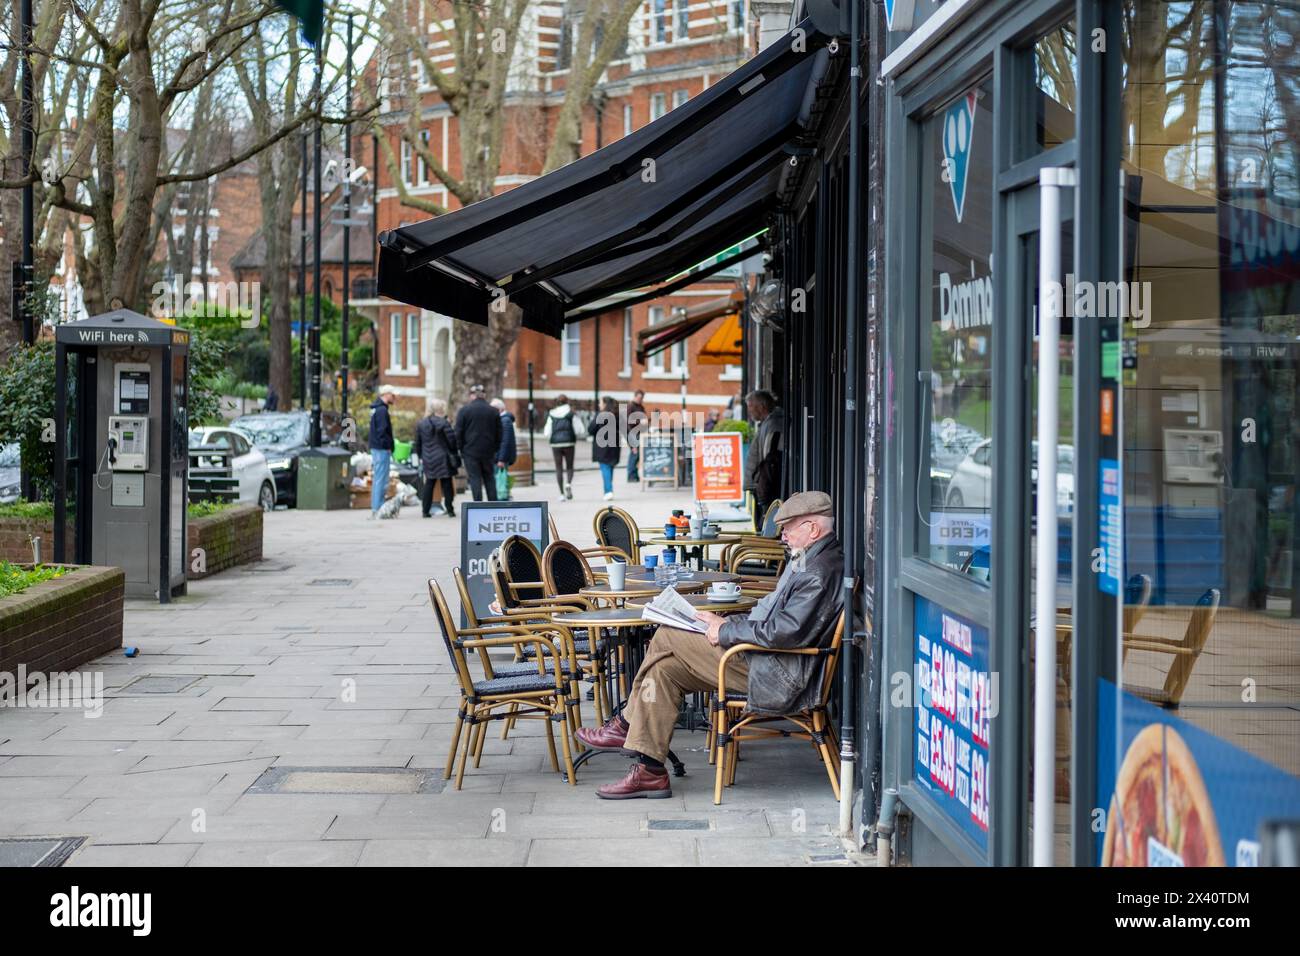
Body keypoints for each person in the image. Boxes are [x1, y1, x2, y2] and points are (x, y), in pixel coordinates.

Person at [576, 492, 844, 798]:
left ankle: (624, 723)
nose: (782, 535)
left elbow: (785, 633)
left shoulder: (817, 571)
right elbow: (775, 620)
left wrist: (727, 629)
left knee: (666, 633)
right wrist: (723, 622)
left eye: (788, 527)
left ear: (813, 529)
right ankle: (649, 771)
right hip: (765, 662)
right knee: (665, 670)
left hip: (779, 675)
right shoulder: (812, 559)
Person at [455, 384, 502, 501]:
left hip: (470, 452)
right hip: (488, 451)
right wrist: (495, 449)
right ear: (484, 395)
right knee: (489, 478)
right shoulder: (493, 411)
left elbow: (458, 433)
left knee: (475, 479)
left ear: (472, 396)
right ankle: (493, 505)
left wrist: (461, 449)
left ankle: (477, 505)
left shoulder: (464, 411)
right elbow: (499, 434)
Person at [413, 398, 458, 518]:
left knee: (429, 483)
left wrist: (421, 456)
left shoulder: (421, 423)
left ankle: (425, 511)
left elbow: (417, 443)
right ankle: (450, 509)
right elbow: (452, 441)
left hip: (428, 457)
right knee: (447, 484)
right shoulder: (444, 423)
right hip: (443, 457)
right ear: (441, 409)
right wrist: (453, 452)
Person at [744, 389, 786, 517]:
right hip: (763, 486)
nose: (749, 410)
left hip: (769, 488)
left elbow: (771, 460)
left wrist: (762, 487)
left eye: (751, 406)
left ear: (761, 407)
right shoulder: (767, 423)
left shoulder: (774, 425)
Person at [368, 385, 397, 518]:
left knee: (379, 478)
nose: (394, 397)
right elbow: (382, 431)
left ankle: (376, 506)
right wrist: (388, 446)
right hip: (381, 449)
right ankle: (377, 508)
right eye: (392, 395)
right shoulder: (382, 411)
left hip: (377, 447)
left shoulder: (377, 409)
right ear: (386, 394)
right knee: (381, 478)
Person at [544, 394, 577, 499]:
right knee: (569, 466)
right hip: (569, 442)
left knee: (558, 468)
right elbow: (580, 429)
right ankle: (568, 483)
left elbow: (547, 432)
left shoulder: (552, 414)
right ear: (567, 401)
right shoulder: (571, 413)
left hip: (556, 444)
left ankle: (561, 494)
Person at [588, 395, 621, 501]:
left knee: (605, 467)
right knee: (609, 467)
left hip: (602, 446)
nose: (599, 404)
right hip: (614, 445)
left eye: (600, 403)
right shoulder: (616, 414)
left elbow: (591, 429)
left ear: (605, 404)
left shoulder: (600, 415)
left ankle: (608, 491)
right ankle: (608, 489)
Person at [491, 398, 517, 501]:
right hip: (499, 456)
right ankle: (504, 496)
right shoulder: (503, 419)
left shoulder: (505, 420)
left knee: (501, 479)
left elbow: (505, 441)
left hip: (501, 457)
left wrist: (501, 459)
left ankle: (503, 498)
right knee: (501, 478)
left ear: (499, 409)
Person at [625, 390, 647, 482]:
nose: (640, 399)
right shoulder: (630, 406)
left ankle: (634, 475)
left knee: (637, 455)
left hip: (639, 433)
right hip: (632, 433)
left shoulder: (640, 406)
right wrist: (640, 422)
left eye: (641, 398)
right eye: (639, 398)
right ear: (635, 396)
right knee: (634, 454)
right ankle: (631, 476)